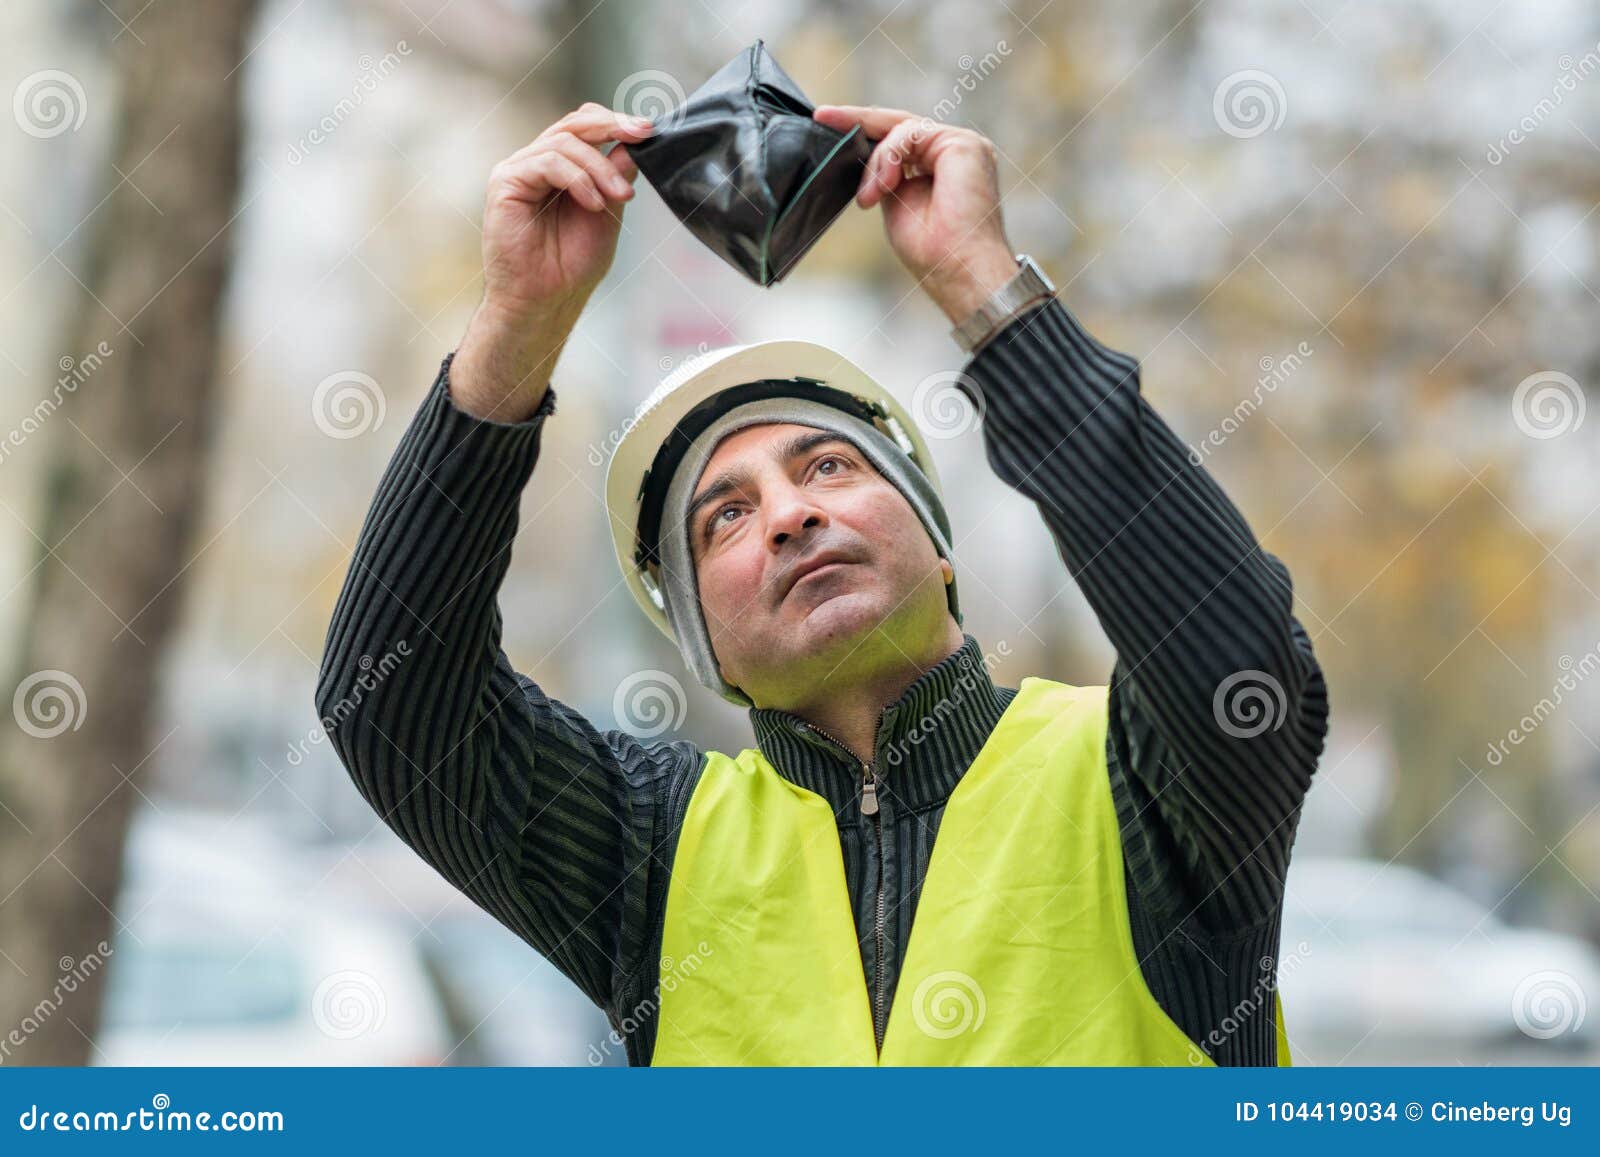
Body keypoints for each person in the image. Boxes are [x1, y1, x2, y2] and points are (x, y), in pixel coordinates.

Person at [316, 101, 1328, 1066]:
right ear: (701, 641)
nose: (791, 515)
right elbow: (392, 700)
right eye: (726, 516)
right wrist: (517, 328)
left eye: (829, 468)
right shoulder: (652, 853)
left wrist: (984, 287)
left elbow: (1234, 658)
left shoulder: (1136, 785)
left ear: (939, 547)